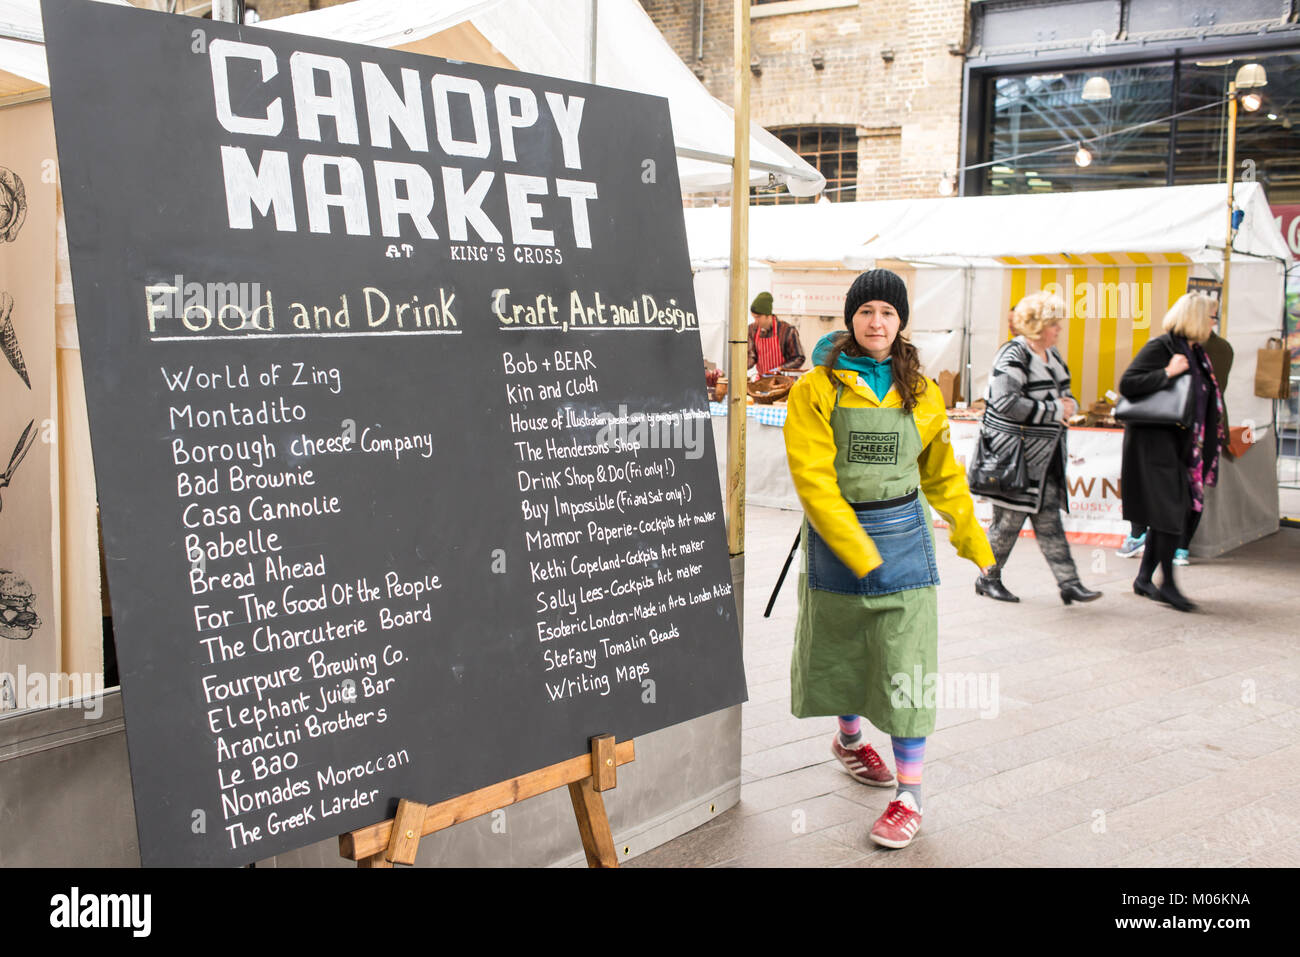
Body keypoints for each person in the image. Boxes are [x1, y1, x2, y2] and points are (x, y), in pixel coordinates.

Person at [783, 268, 995, 850]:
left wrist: (973, 539)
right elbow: (812, 479)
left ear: (902, 322)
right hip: (836, 537)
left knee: (907, 663)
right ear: (851, 318)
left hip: (903, 538)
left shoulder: (921, 391)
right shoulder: (815, 389)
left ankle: (910, 796)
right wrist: (855, 549)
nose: (877, 322)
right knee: (843, 650)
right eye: (867, 311)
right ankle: (849, 741)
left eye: (889, 313)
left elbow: (943, 474)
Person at [973, 291, 1102, 605]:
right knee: (1007, 524)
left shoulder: (1051, 354)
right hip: (1015, 459)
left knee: (1049, 522)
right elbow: (1004, 402)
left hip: (1044, 460)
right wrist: (1056, 410)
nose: (1059, 329)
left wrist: (1066, 405)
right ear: (1039, 325)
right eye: (1054, 323)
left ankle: (1069, 583)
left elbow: (1062, 392)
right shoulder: (1013, 354)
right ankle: (987, 577)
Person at [1118, 292, 1226, 612]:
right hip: (1154, 442)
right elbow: (1129, 384)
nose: (1214, 323)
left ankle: (1143, 579)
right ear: (1194, 317)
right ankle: (1169, 585)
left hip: (1182, 444)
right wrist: (1167, 372)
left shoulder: (1198, 354)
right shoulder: (1163, 347)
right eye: (1211, 317)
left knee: (1172, 513)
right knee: (1169, 513)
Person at [747, 292, 806, 374]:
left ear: (768, 315)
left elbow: (799, 358)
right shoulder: (752, 329)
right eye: (754, 317)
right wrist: (741, 366)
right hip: (762, 381)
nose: (756, 321)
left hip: (784, 381)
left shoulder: (787, 330)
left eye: (758, 317)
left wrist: (780, 369)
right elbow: (752, 356)